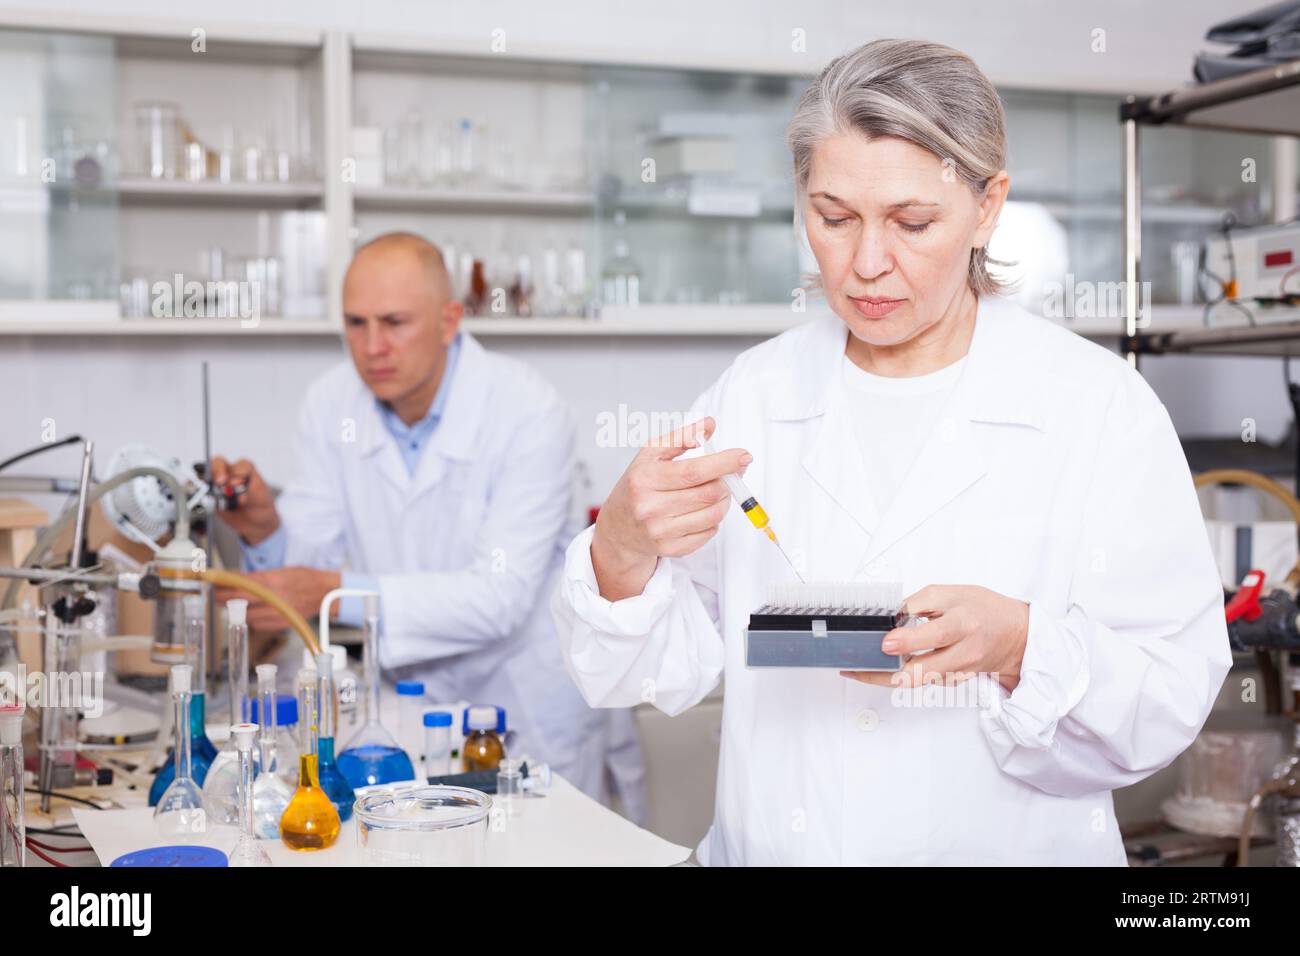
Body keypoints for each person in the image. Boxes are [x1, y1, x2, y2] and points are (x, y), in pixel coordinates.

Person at [552, 39, 1231, 864]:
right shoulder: (755, 397)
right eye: (834, 218)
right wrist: (622, 546)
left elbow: (1168, 697)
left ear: (987, 208)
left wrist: (1020, 645)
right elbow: (645, 674)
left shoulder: (1097, 408)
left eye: (913, 222)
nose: (867, 263)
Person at [213, 232, 615, 800]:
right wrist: (265, 530)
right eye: (355, 323)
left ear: (450, 320)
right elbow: (310, 559)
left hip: (521, 707)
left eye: (394, 322)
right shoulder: (331, 404)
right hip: (405, 710)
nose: (372, 346)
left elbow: (499, 598)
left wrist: (330, 592)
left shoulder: (528, 411)